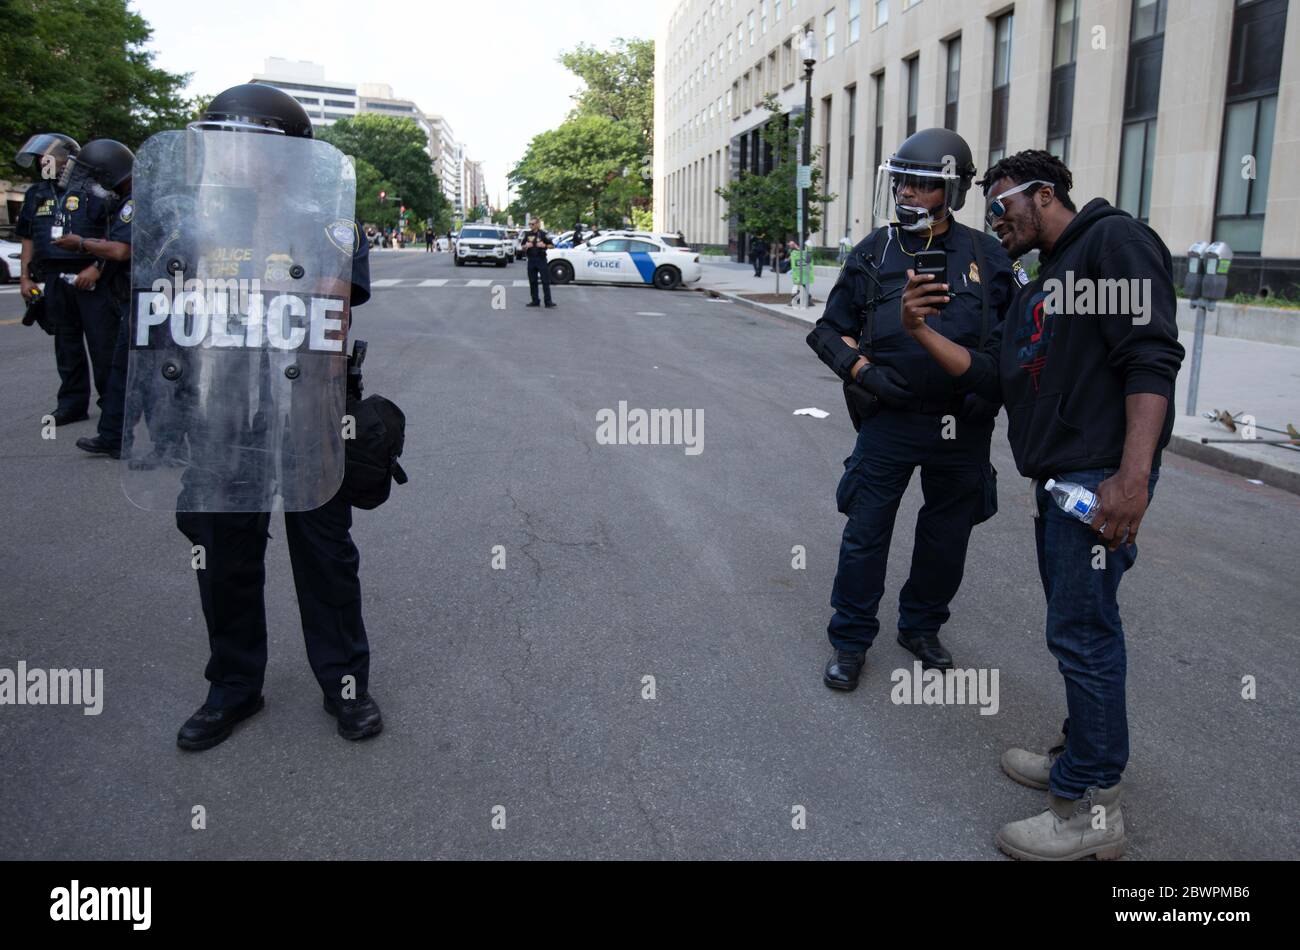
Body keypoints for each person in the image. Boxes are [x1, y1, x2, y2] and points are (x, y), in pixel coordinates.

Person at [899, 149, 1184, 860]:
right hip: (1058, 483)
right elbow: (994, 374)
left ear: (1045, 194)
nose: (992, 221)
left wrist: (1133, 479)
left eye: (1000, 206)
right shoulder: (1040, 280)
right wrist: (919, 332)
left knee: (1086, 636)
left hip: (1096, 479)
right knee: (1073, 630)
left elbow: (1150, 356)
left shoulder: (1111, 242)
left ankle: (1093, 808)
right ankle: (1076, 757)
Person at [125, 83, 382, 751]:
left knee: (326, 559)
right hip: (220, 411)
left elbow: (331, 307)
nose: (232, 154)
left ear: (285, 153)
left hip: (307, 410)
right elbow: (167, 309)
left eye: (247, 142)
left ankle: (345, 684)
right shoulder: (192, 222)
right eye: (221, 141)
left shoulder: (327, 219)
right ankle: (233, 687)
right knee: (224, 558)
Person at [806, 127, 1016, 692]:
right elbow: (828, 330)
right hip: (891, 420)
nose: (910, 194)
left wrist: (987, 386)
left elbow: (1015, 341)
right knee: (866, 532)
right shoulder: (874, 250)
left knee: (946, 538)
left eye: (925, 185)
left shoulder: (986, 255)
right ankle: (850, 640)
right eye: (904, 182)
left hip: (963, 427)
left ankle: (921, 626)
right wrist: (863, 373)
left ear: (952, 192)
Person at [13, 133, 120, 427]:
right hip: (54, 278)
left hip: (92, 276)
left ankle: (113, 406)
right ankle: (72, 404)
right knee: (66, 343)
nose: (41, 163)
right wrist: (25, 279)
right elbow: (27, 239)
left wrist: (97, 268)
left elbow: (116, 236)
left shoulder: (95, 190)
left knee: (102, 344)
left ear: (68, 157)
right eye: (38, 159)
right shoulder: (37, 193)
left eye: (46, 157)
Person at [47, 139, 135, 460]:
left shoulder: (132, 203)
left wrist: (82, 243)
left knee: (126, 367)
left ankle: (122, 436)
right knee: (126, 367)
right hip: (132, 294)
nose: (95, 186)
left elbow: (121, 250)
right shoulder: (126, 199)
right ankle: (115, 435)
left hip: (139, 297)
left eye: (97, 178)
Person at [521, 217, 555, 308]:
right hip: (531, 260)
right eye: (530, 224)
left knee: (545, 281)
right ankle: (535, 301)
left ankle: (548, 302)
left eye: (532, 224)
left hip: (541, 259)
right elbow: (522, 247)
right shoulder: (527, 234)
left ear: (537, 224)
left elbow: (552, 245)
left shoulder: (543, 234)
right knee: (532, 281)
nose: (531, 226)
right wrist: (526, 246)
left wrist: (545, 245)